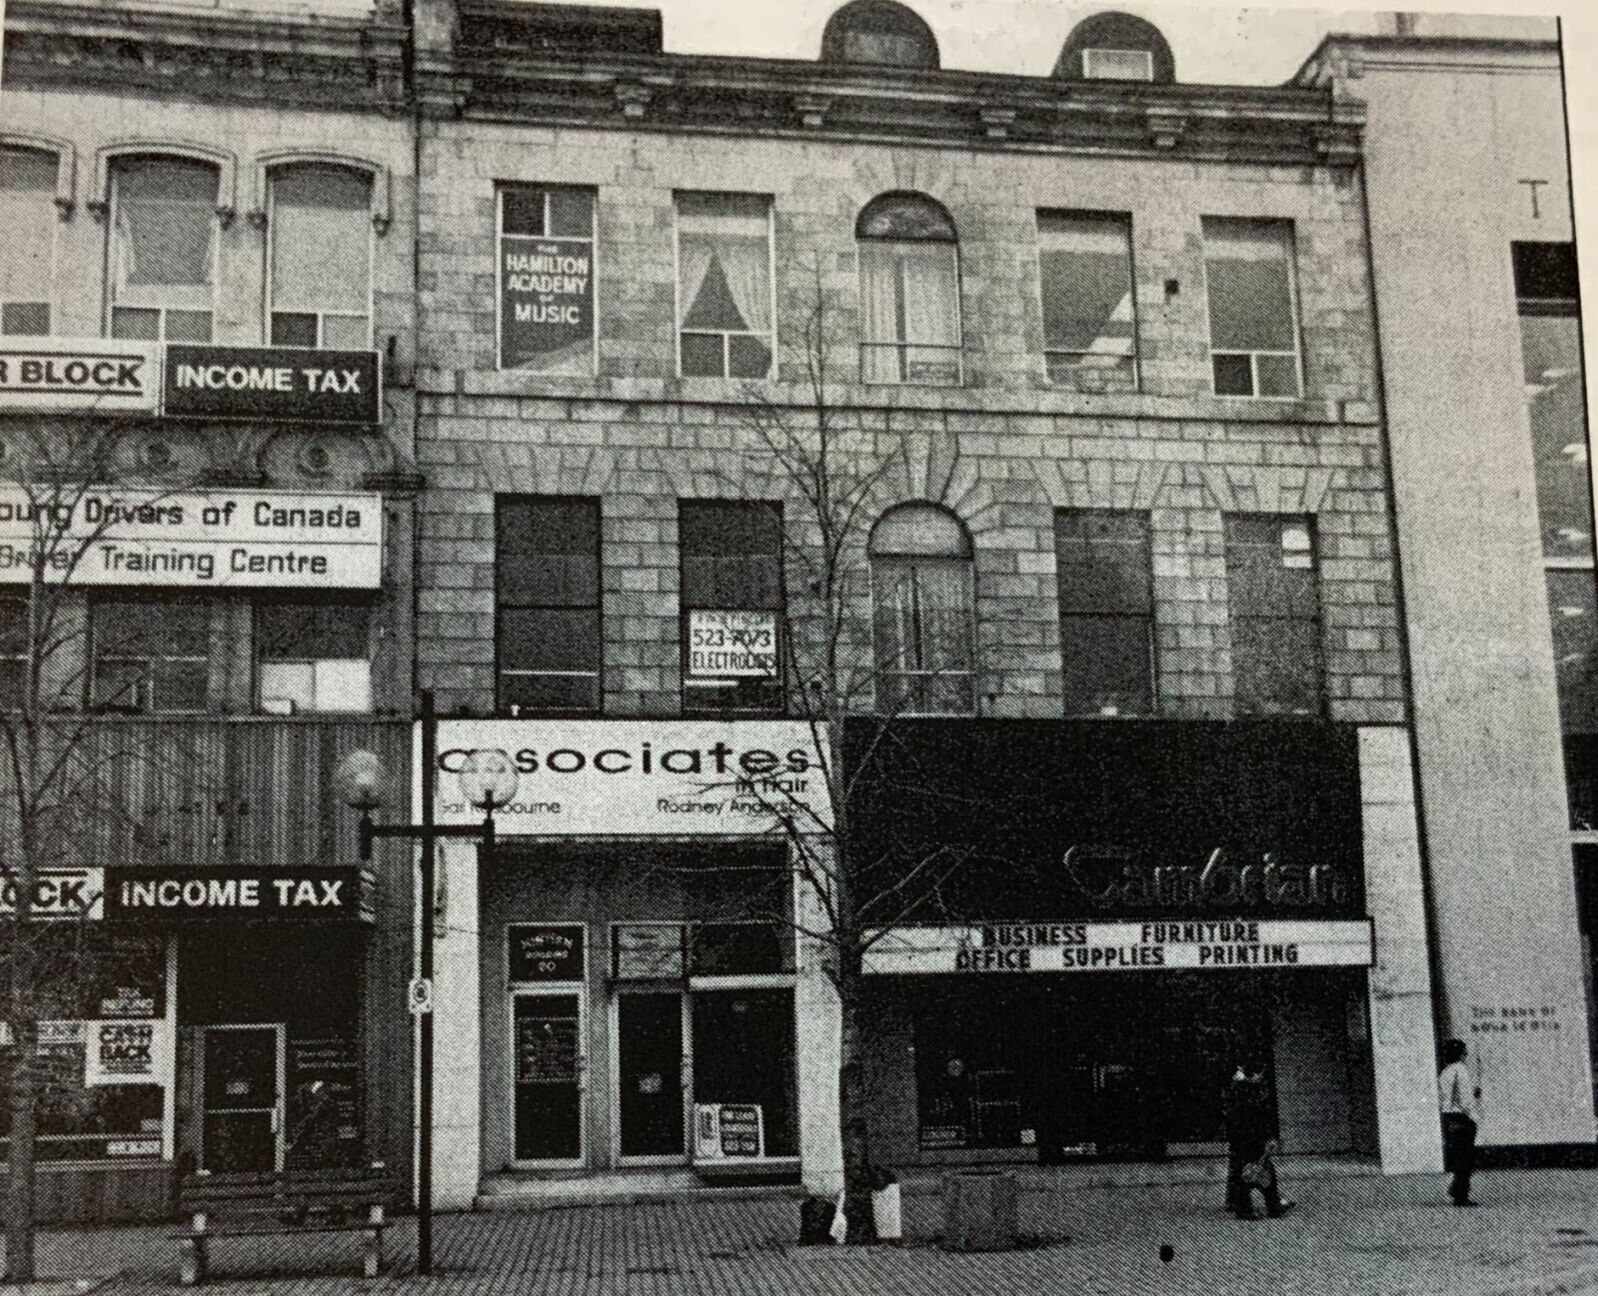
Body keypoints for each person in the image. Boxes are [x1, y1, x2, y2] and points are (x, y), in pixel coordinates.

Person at [1222, 1059, 1294, 1220]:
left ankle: (1260, 1204)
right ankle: (1264, 1205)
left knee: (1250, 1169)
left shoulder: (1237, 1091)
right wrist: (1268, 1136)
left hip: (1243, 1136)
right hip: (1250, 1136)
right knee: (1257, 1169)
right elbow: (1257, 1115)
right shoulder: (1249, 1092)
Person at [1438, 1038, 1480, 1206]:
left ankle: (1457, 1188)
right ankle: (1460, 1194)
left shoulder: (1446, 1071)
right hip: (1461, 1116)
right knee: (1466, 1157)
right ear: (1461, 1054)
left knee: (1459, 1155)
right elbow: (1464, 1099)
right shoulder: (1460, 1069)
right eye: (1465, 1051)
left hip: (1448, 1116)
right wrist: (1472, 1112)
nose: (1466, 1054)